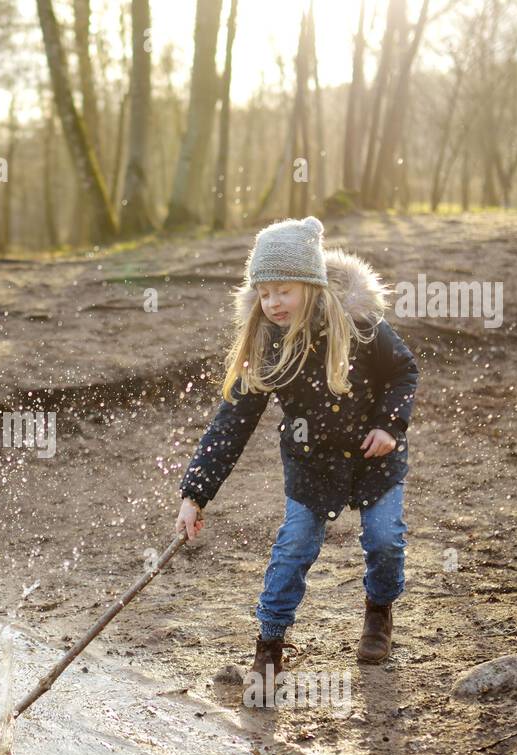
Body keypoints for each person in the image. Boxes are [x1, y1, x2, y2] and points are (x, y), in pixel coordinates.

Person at [175, 216, 418, 693]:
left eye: (283, 290)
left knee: (385, 539)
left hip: (375, 459)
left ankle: (378, 612)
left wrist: (389, 426)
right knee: (294, 547)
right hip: (311, 465)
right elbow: (231, 424)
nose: (272, 302)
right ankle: (269, 649)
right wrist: (195, 494)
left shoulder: (360, 325)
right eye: (264, 293)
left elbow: (403, 371)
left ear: (311, 285)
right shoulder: (267, 347)